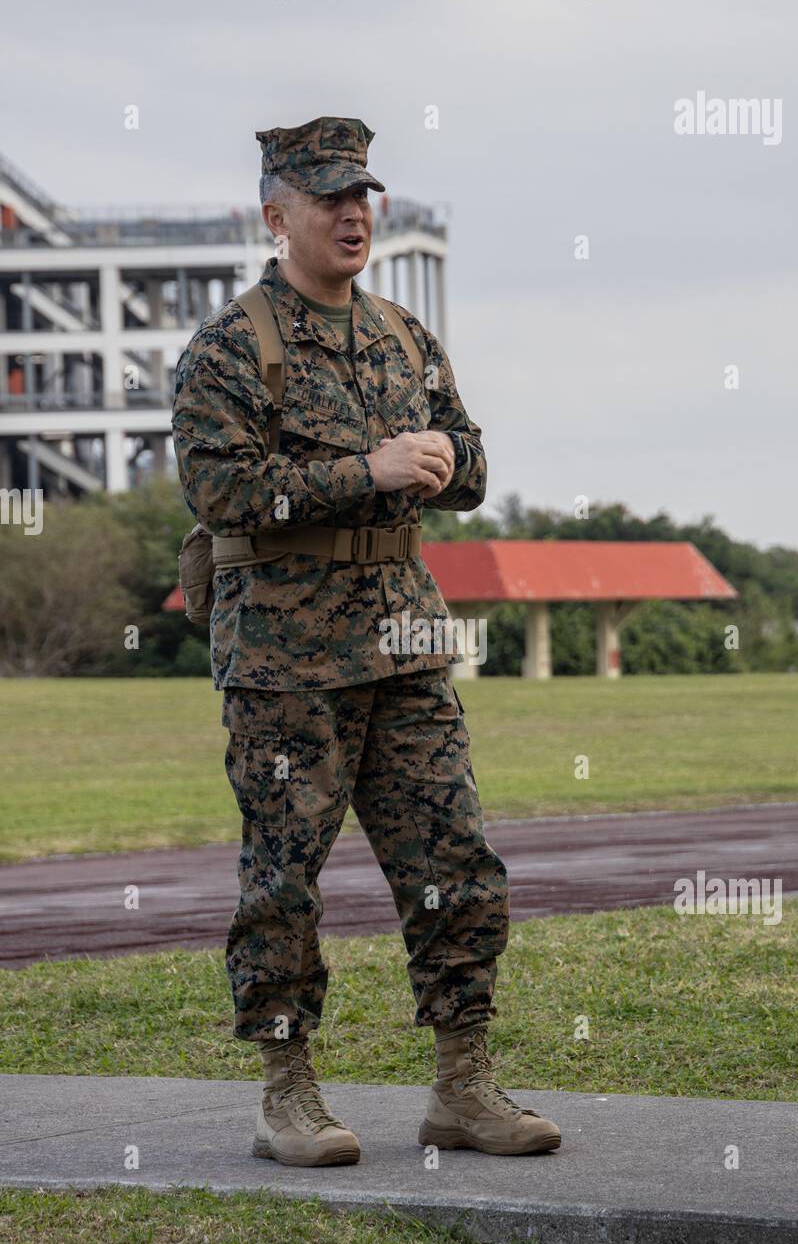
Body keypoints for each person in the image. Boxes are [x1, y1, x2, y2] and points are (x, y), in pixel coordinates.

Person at [172, 116, 561, 1166]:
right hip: (283, 658)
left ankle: (462, 1086)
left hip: (406, 640)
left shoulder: (402, 334)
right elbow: (217, 488)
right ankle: (286, 1093)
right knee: (284, 877)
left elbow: (469, 456)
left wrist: (446, 455)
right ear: (275, 215)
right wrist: (366, 473)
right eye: (329, 197)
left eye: (362, 196)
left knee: (457, 862)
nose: (353, 214)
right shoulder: (230, 344)